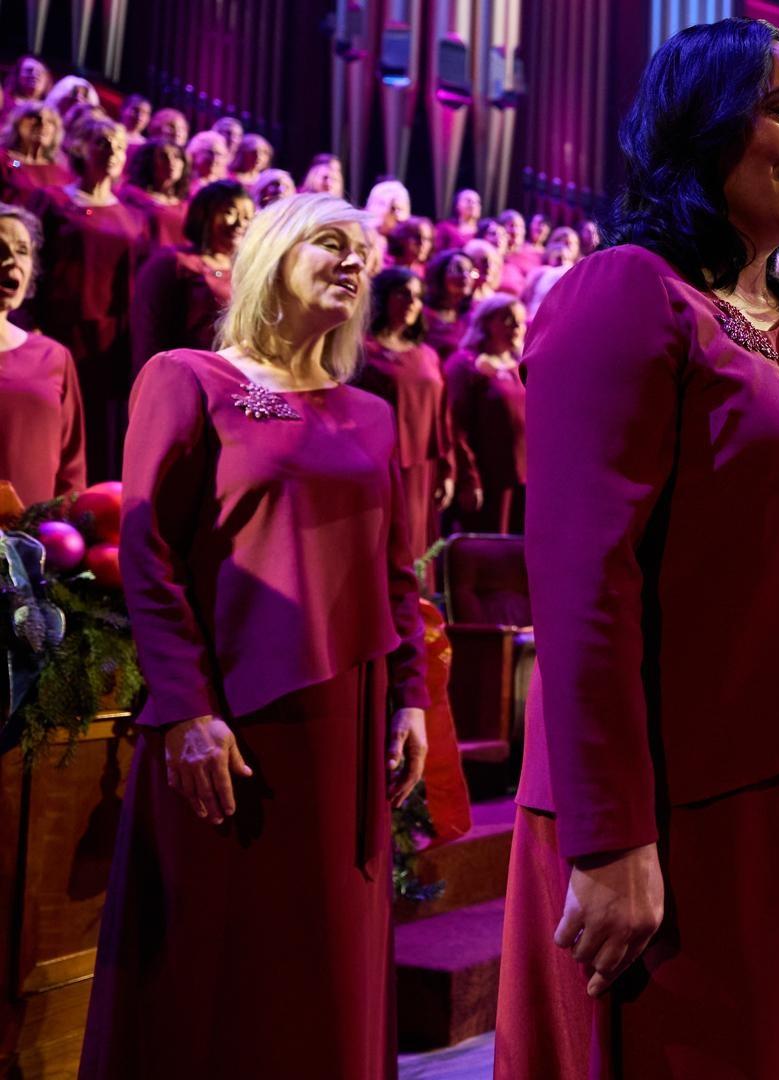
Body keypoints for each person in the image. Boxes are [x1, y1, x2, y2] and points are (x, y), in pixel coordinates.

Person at [498, 20, 779, 1078]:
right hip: (695, 800)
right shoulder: (624, 295)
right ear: (702, 122)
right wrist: (607, 839)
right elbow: (585, 584)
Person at [80, 193, 428, 1079]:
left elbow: (396, 572)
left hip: (345, 731)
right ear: (274, 253)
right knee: (214, 978)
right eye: (332, 242)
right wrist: (188, 709)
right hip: (229, 727)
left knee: (327, 975)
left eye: (366, 251)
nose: (357, 262)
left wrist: (412, 700)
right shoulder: (188, 378)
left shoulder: (372, 412)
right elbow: (150, 559)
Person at [26, 114, 145, 480]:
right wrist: (30, 322)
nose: (112, 152)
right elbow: (32, 260)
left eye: (120, 146)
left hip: (108, 340)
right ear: (80, 147)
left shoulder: (132, 217)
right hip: (58, 328)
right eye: (103, 143)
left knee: (96, 428)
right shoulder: (52, 200)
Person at [357, 267, 455, 561]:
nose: (413, 302)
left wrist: (447, 470)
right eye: (403, 293)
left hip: (422, 468)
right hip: (381, 464)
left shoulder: (427, 354)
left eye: (417, 296)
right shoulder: (362, 351)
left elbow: (443, 415)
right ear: (383, 298)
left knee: (417, 546)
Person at [0, 202, 85, 503]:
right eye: (0, 251)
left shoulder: (54, 356)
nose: (12, 261)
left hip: (41, 543)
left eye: (22, 251)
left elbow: (71, 468)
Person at [129, 180, 251, 372]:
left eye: (247, 217)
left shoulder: (246, 269)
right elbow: (148, 330)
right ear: (204, 214)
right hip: (186, 374)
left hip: (233, 376)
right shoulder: (173, 263)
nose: (240, 224)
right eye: (230, 213)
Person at [443, 294, 527, 534]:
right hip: (489, 478)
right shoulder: (466, 365)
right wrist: (469, 479)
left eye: (520, 322)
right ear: (487, 322)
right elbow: (455, 426)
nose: (516, 327)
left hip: (522, 478)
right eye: (508, 320)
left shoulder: (517, 364)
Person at [116, 138, 189, 247]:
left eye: (177, 157)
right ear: (148, 162)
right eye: (163, 156)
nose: (171, 162)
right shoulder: (132, 196)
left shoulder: (184, 202)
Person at [0, 101, 68, 207]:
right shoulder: (4, 160)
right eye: (35, 117)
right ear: (17, 122)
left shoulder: (60, 171)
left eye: (50, 121)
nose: (42, 124)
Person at [421, 247, 477, 358]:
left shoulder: (472, 312)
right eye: (458, 270)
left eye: (471, 272)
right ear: (439, 274)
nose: (466, 276)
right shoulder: (423, 315)